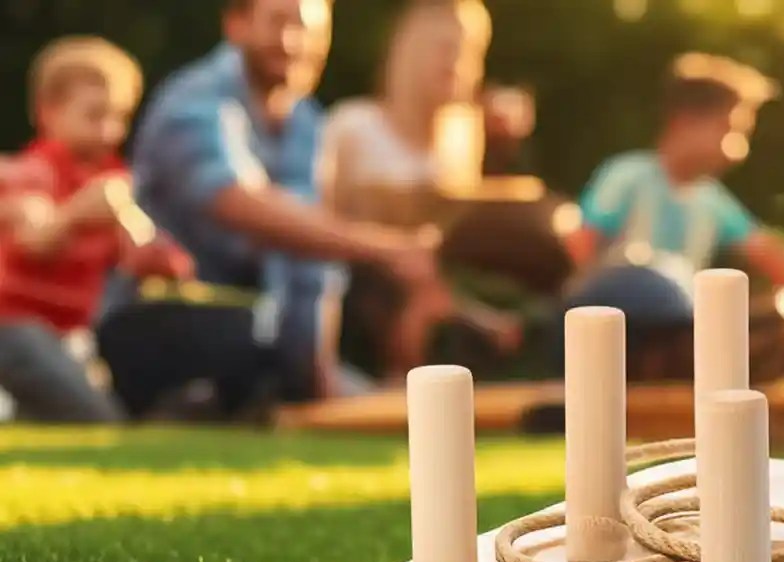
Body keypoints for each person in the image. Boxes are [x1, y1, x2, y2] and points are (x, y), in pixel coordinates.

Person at [125, 0, 441, 408]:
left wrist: (318, 377)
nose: (295, 42)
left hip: (261, 342)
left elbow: (310, 253)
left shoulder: (306, 123)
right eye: (278, 23)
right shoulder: (194, 102)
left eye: (309, 28)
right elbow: (241, 203)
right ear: (237, 25)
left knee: (377, 405)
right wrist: (387, 248)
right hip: (164, 331)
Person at [560, 53, 784, 373]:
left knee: (777, 312)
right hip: (623, 323)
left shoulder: (709, 199)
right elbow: (582, 243)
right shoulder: (628, 176)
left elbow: (766, 250)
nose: (739, 148)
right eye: (730, 129)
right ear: (685, 121)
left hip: (681, 322)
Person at [318, 0, 521, 382]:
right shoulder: (352, 127)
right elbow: (320, 227)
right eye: (446, 48)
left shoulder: (464, 133)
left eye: (469, 52)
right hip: (362, 287)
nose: (456, 64)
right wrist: (394, 249)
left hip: (435, 282)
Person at [0, 37, 193, 424]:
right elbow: (33, 239)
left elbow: (164, 263)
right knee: (98, 419)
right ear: (48, 113)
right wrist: (75, 214)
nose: (109, 132)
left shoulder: (114, 182)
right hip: (14, 329)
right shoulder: (28, 174)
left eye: (119, 117)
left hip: (73, 338)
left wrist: (149, 248)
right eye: (95, 115)